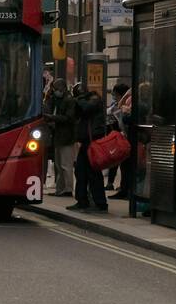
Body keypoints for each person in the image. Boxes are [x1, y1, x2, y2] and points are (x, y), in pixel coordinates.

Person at [69, 82, 108, 212]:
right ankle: (82, 200)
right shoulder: (84, 101)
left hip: (93, 141)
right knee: (80, 171)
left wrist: (78, 99)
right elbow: (76, 114)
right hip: (86, 142)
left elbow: (86, 108)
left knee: (94, 174)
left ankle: (100, 203)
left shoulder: (94, 100)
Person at [43, 78, 76, 197]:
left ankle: (67, 189)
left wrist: (52, 118)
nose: (55, 91)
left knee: (66, 165)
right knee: (59, 164)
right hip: (59, 136)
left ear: (62, 88)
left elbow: (68, 118)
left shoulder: (69, 100)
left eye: (56, 89)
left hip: (67, 137)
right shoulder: (58, 100)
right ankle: (60, 189)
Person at [105, 82, 130, 193]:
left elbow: (112, 112)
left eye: (115, 94)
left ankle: (122, 187)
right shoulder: (118, 103)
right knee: (115, 160)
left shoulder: (126, 103)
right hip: (116, 133)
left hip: (121, 134)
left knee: (121, 162)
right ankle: (113, 183)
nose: (114, 96)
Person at [110, 86, 134, 200]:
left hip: (131, 138)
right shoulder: (128, 99)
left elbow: (122, 110)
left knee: (127, 166)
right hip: (127, 136)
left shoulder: (134, 102)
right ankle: (124, 189)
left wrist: (125, 97)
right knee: (124, 165)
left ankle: (126, 190)